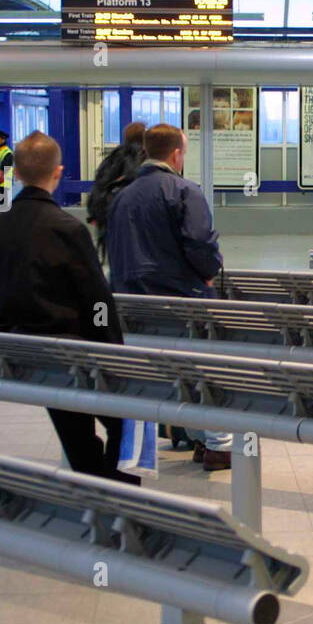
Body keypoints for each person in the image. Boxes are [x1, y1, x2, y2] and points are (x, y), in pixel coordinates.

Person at [0, 131, 139, 486]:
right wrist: (112, 349)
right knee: (125, 416)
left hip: (13, 347)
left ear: (15, 173)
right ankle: (115, 486)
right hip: (65, 351)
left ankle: (98, 479)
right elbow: (97, 302)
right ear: (58, 172)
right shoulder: (68, 230)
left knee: (76, 423)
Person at [106, 123, 232, 469]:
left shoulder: (121, 197)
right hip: (181, 303)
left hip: (131, 304)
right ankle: (217, 444)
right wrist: (209, 272)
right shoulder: (184, 191)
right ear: (176, 154)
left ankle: (193, 439)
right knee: (201, 373)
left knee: (166, 376)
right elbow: (201, 245)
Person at [87, 121, 147, 263]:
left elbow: (99, 187)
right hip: (134, 222)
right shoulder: (141, 158)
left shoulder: (112, 158)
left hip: (109, 221)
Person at [0, 128, 15, 197]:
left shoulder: (7, 153)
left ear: (3, 139)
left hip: (3, 185)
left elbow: (5, 170)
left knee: (1, 206)